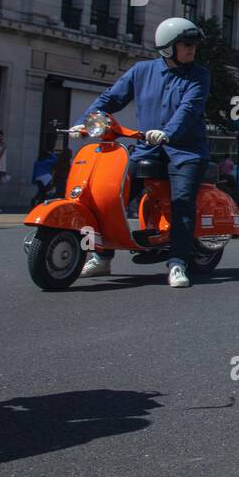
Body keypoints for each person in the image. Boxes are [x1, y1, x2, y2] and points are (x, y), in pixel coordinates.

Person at [71, 17, 210, 288]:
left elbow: (189, 108)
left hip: (186, 150)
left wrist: (168, 132)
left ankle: (178, 262)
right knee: (108, 194)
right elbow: (110, 98)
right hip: (147, 147)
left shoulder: (199, 75)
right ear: (167, 47)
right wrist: (85, 121)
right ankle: (101, 256)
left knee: (182, 201)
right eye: (186, 44)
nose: (192, 49)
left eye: (194, 45)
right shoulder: (141, 71)